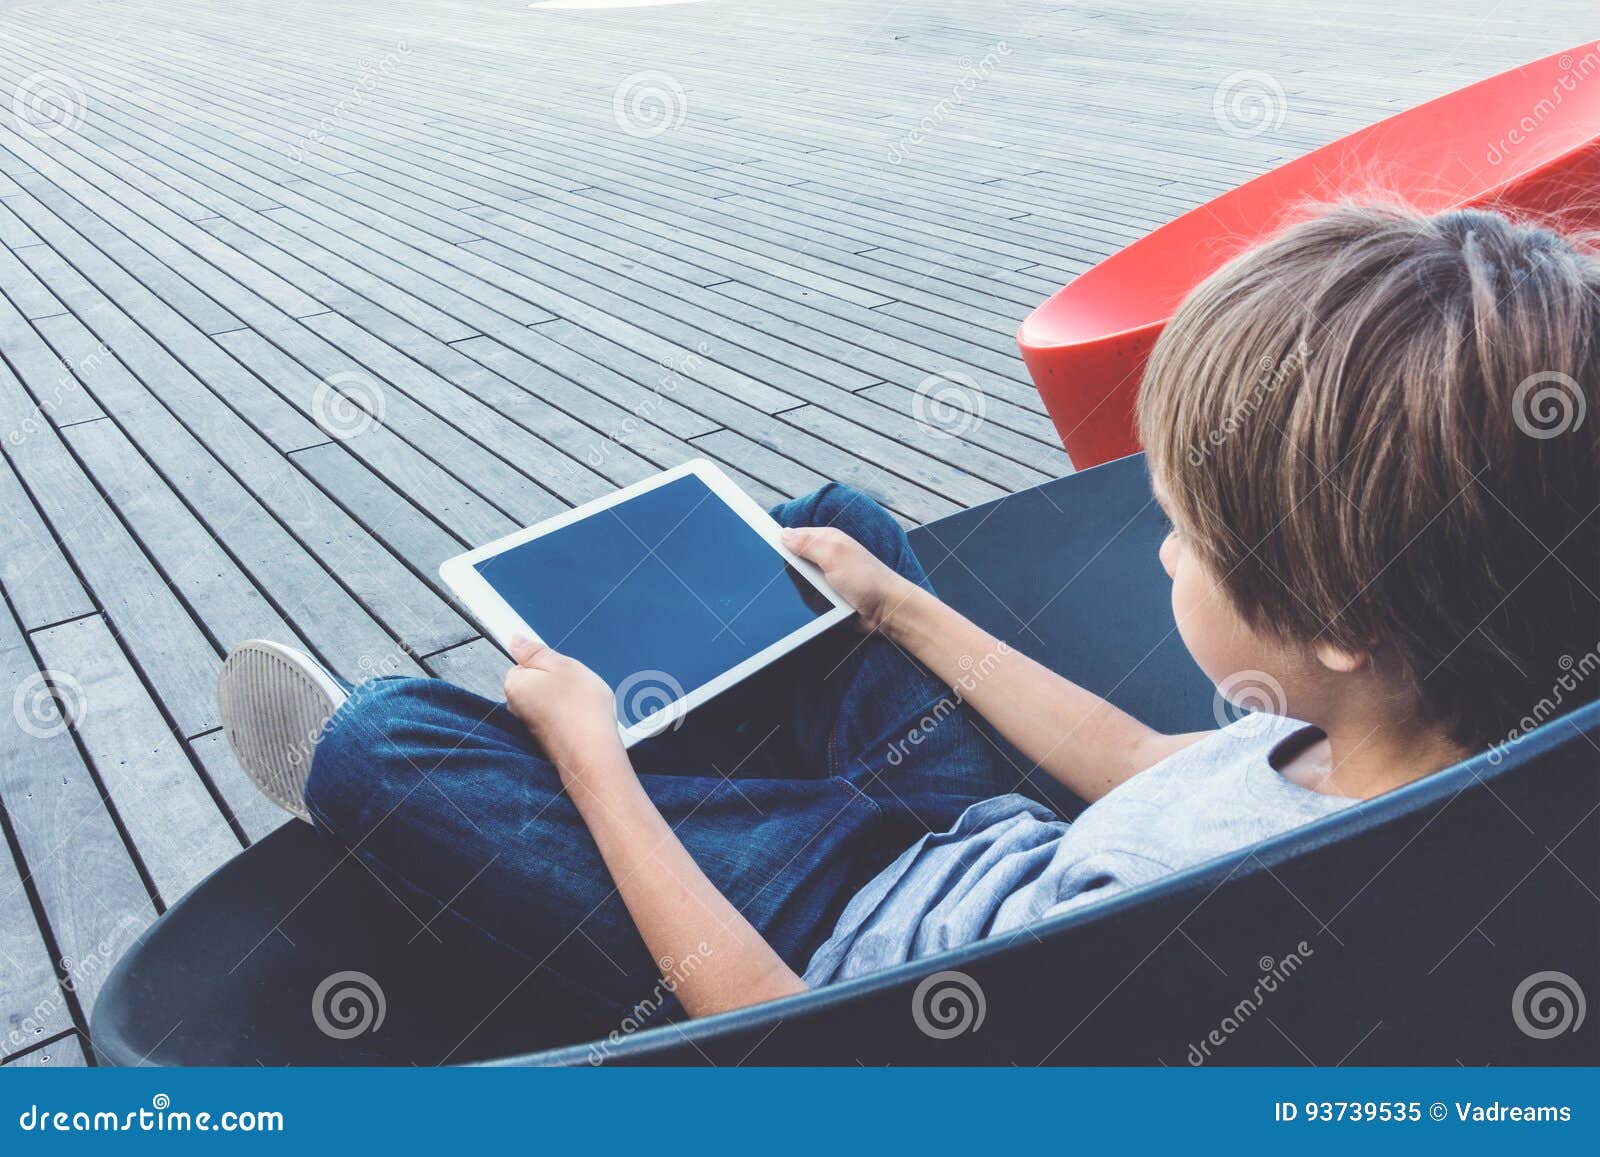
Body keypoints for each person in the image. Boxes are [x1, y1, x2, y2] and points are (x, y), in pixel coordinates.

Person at [217, 203, 1599, 1040]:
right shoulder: (1386, 744)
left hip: (818, 941)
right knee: (844, 529)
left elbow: (776, 1031)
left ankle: (645, 770)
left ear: (1340, 627)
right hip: (974, 843)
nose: (1160, 548)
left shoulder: (1176, 928)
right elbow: (1133, 766)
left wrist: (587, 762)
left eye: (1185, 538)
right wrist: (906, 614)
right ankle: (728, 745)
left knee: (390, 743)